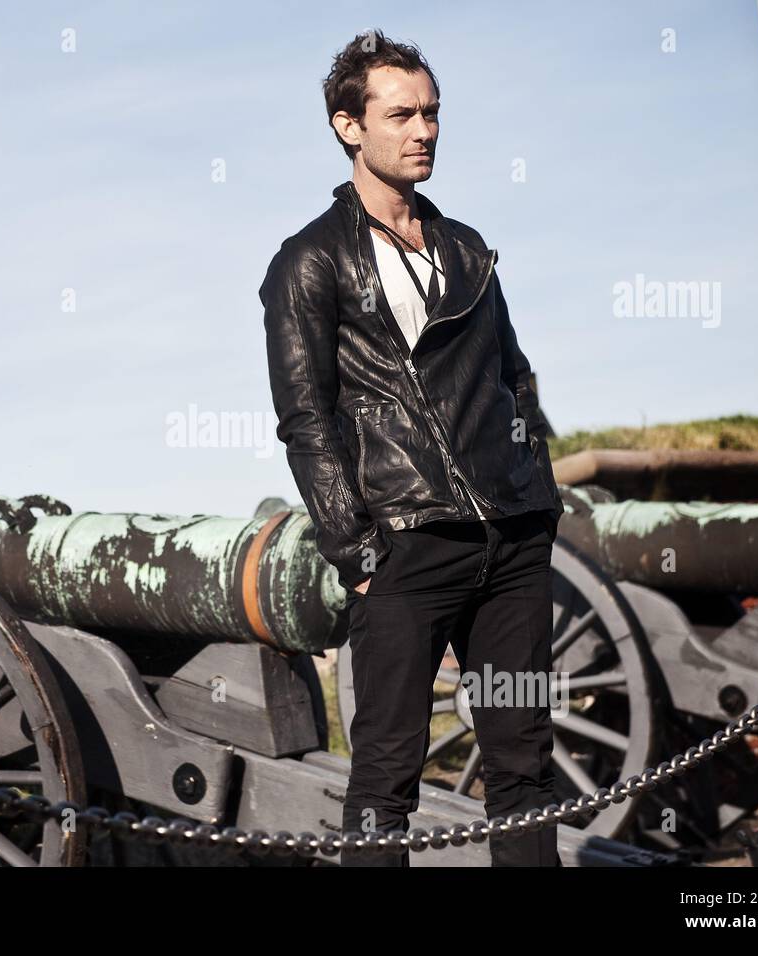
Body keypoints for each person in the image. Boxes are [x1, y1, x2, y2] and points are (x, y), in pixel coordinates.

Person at [259, 29, 566, 867]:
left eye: (432, 113)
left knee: (523, 764)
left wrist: (536, 492)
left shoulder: (468, 249)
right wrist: (358, 552)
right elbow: (306, 420)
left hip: (510, 544)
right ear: (347, 126)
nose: (424, 130)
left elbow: (516, 378)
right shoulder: (307, 263)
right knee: (386, 775)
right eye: (401, 114)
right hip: (402, 550)